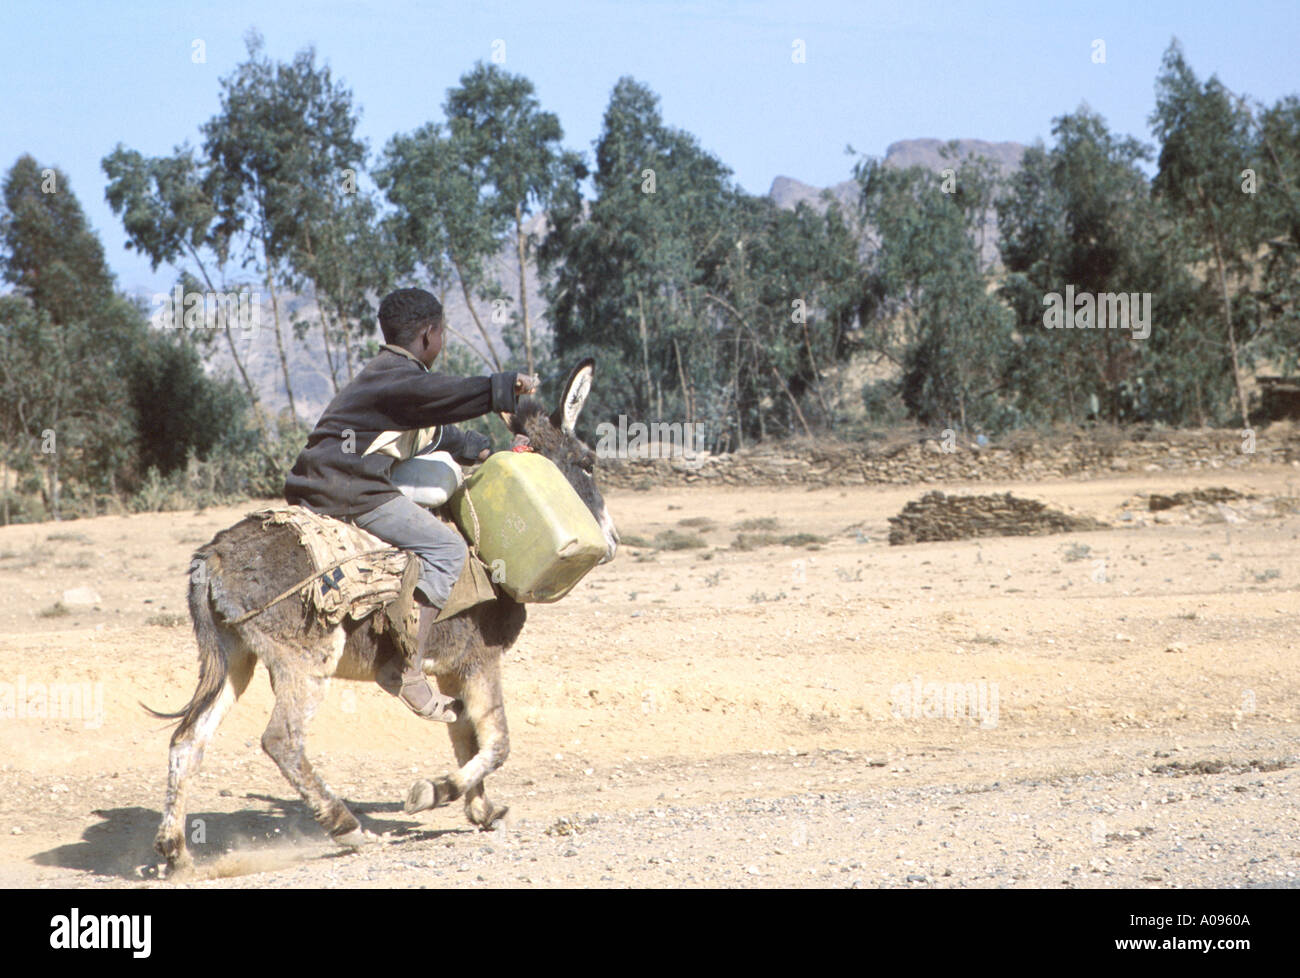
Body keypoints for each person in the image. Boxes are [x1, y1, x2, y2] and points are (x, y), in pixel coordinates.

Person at [284, 287, 538, 721]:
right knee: (447, 549)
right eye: (442, 334)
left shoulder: (386, 379)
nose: (442, 343)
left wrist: (480, 450)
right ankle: (407, 668)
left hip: (324, 481)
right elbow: (442, 397)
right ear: (428, 334)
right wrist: (502, 389)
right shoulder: (399, 379)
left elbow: (433, 432)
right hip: (348, 491)